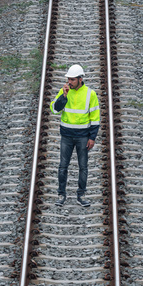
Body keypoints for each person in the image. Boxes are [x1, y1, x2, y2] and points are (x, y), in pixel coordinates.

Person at [51, 64, 100, 206]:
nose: (69, 82)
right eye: (68, 79)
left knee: (83, 167)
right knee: (63, 166)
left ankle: (81, 195)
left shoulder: (90, 94)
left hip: (82, 137)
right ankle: (61, 195)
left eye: (72, 80)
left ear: (80, 79)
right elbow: (55, 109)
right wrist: (63, 96)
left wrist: (92, 138)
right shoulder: (64, 91)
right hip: (66, 136)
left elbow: (95, 118)